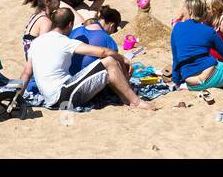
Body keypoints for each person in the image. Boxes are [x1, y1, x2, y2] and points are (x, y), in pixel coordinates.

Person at [17, 7, 154, 110]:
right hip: (63, 96)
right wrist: (123, 59)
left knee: (106, 62)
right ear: (70, 24)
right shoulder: (65, 42)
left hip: (50, 97)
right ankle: (136, 102)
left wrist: (16, 99)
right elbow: (102, 51)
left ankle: (126, 98)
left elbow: (26, 74)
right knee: (109, 61)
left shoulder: (36, 43)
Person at [170, 0, 223, 89]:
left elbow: (176, 59)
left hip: (193, 84)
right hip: (212, 75)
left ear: (189, 11)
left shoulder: (177, 28)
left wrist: (176, 82)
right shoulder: (208, 31)